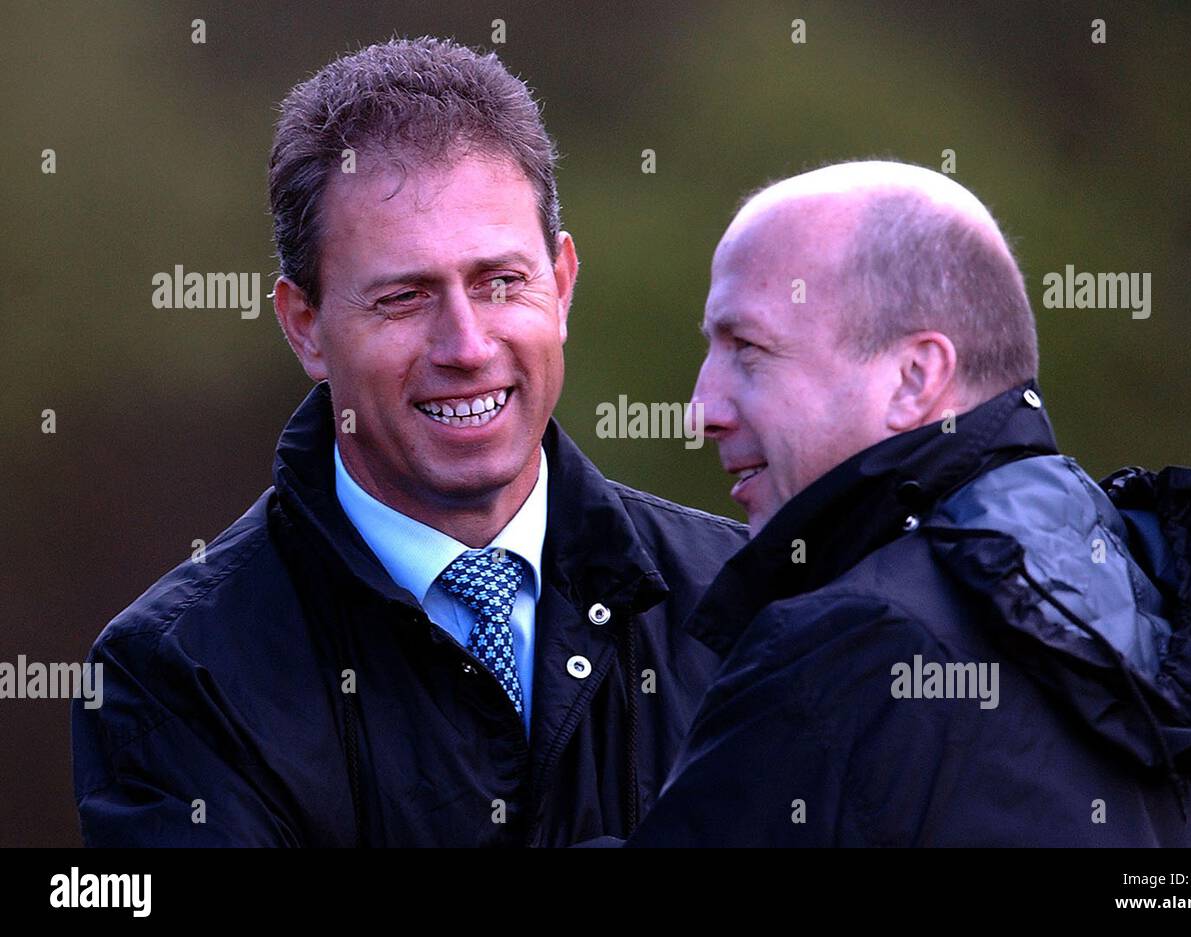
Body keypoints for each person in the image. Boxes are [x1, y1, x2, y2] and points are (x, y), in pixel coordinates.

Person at [71, 37, 745, 847]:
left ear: (562, 286)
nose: (465, 345)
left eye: (501, 282)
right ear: (305, 327)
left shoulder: (742, 607)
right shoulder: (179, 676)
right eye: (403, 296)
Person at [627, 161, 1191, 847]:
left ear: (914, 378)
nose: (701, 409)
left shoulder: (858, 643)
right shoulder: (1158, 619)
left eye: (747, 347)